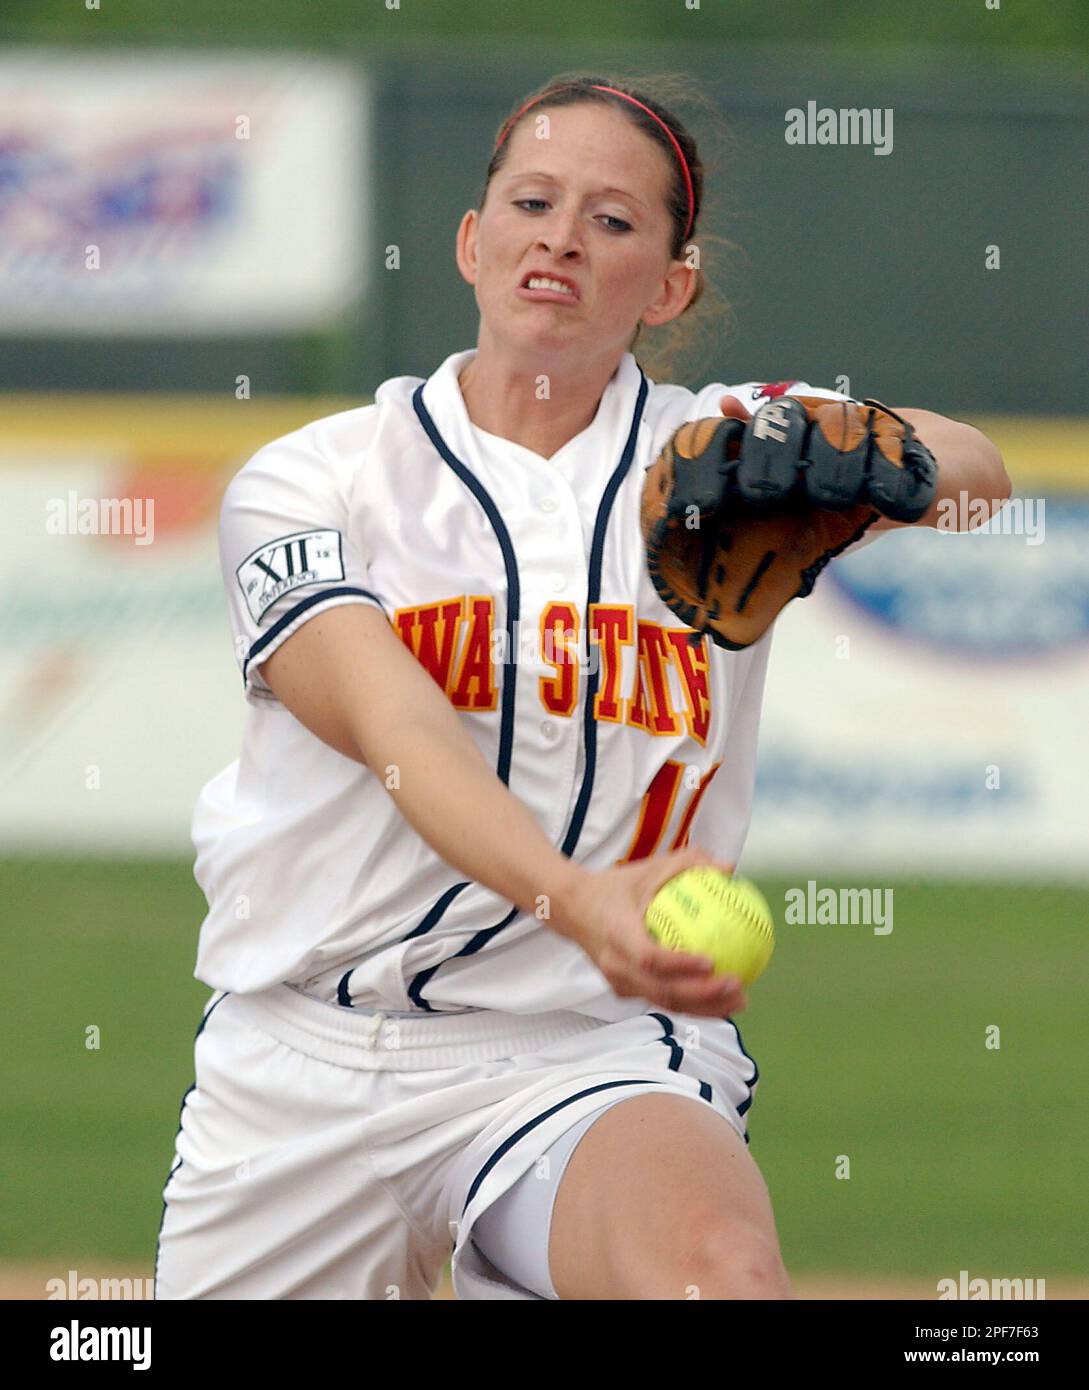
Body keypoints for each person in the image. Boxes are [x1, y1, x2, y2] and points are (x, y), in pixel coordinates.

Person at [154, 73, 1009, 1301]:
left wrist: (905, 461)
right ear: (472, 239)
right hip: (309, 1054)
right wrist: (576, 898)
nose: (560, 235)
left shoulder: (716, 462)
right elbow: (396, 727)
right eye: (532, 200)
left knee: (717, 1276)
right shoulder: (315, 483)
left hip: (588, 1049)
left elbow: (979, 471)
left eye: (612, 219)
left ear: (671, 285)